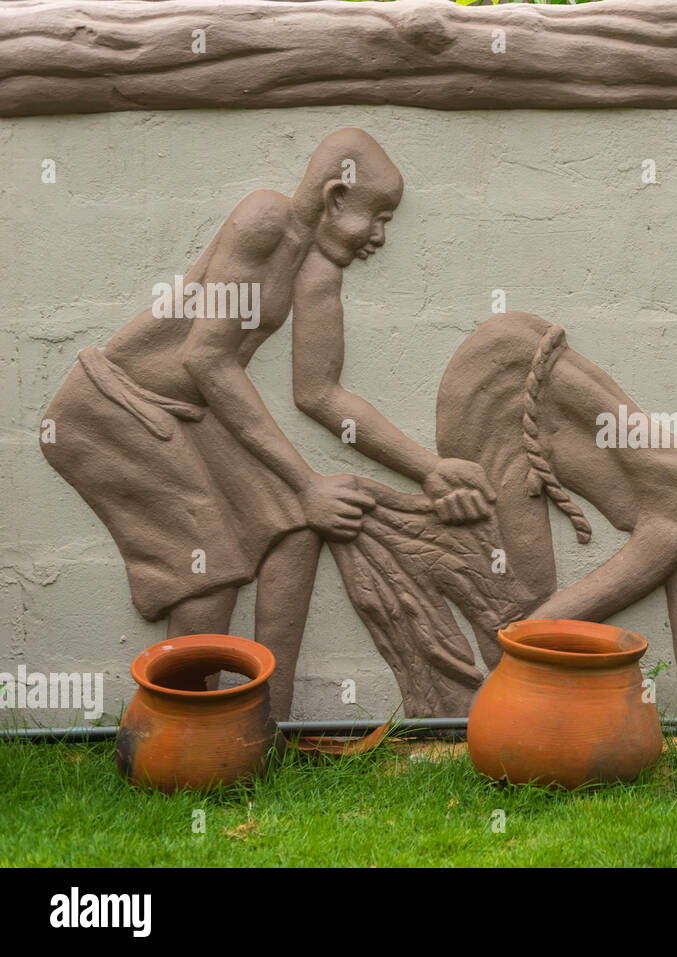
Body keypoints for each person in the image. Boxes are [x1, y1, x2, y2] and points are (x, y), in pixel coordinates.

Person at [40, 129, 494, 718]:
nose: (380, 237)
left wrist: (431, 469)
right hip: (112, 408)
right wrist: (308, 482)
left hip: (185, 412)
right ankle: (188, 734)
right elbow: (205, 358)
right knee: (211, 565)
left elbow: (321, 395)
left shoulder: (318, 270)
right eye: (377, 216)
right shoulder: (264, 219)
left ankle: (263, 727)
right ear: (335, 198)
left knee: (297, 528)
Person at [434, 311, 677, 716]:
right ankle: (489, 712)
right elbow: (546, 626)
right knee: (524, 602)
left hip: (516, 365)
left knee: (518, 600)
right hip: (498, 390)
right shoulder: (676, 520)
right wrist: (492, 700)